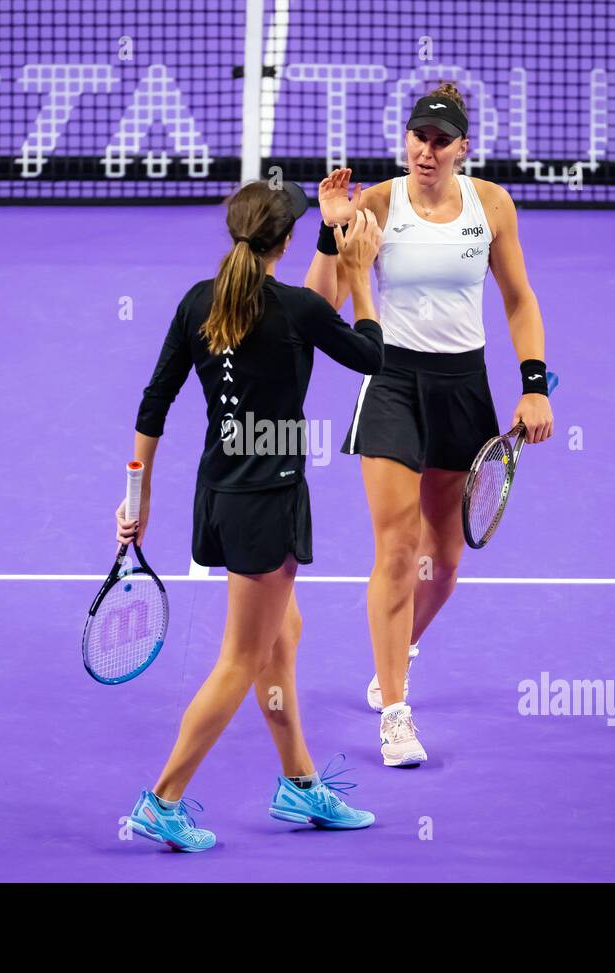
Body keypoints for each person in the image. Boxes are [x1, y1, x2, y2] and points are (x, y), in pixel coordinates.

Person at [117, 180, 386, 850]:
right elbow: (370, 353)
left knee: (282, 635)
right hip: (270, 499)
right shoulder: (295, 310)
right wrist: (359, 272)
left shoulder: (198, 302)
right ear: (283, 242)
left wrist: (138, 496)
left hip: (221, 492)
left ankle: (299, 783)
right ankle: (163, 798)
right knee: (242, 656)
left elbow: (154, 402)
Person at [305, 83, 554, 768]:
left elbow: (520, 298)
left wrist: (534, 384)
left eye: (442, 140)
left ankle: (396, 645)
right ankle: (395, 710)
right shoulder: (377, 203)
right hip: (391, 383)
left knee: (441, 565)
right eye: (419, 136)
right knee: (396, 549)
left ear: (463, 148)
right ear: (406, 139)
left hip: (463, 386)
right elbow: (319, 300)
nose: (427, 149)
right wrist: (333, 227)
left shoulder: (492, 205)